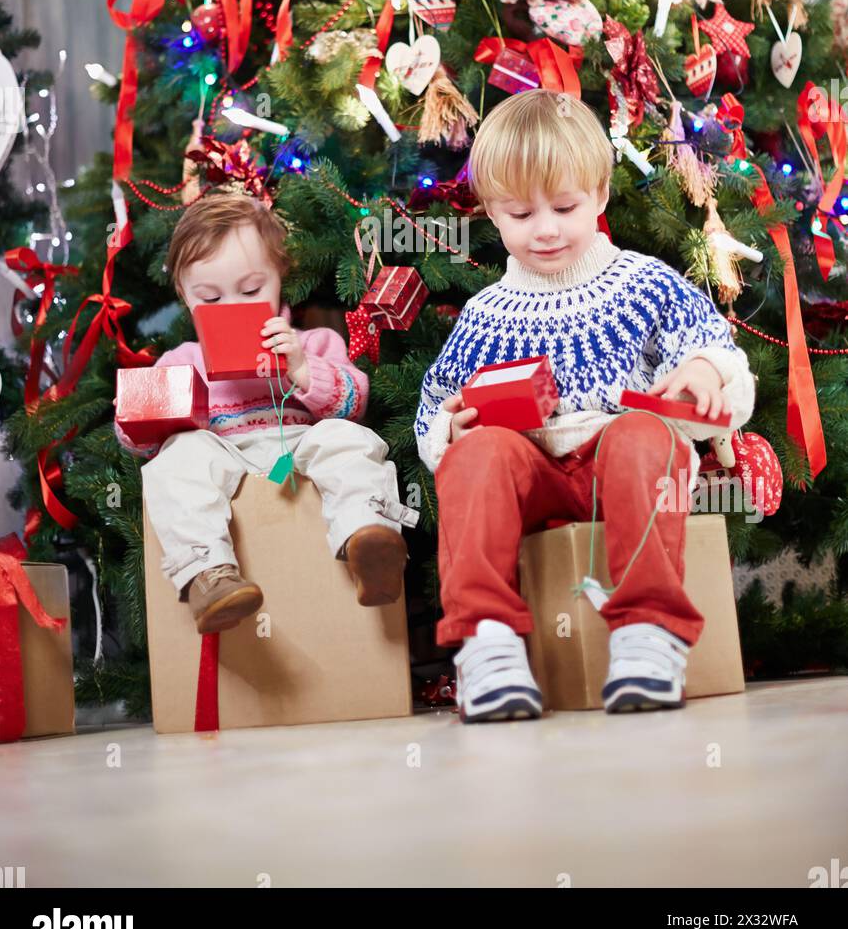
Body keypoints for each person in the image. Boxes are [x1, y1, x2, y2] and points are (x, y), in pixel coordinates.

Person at [414, 90, 756, 722]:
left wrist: (706, 371)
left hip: (621, 460)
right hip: (535, 477)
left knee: (643, 435)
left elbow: (717, 349)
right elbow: (434, 406)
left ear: (598, 197)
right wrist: (449, 427)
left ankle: (648, 633)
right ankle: (489, 643)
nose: (545, 228)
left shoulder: (644, 282)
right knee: (476, 452)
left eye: (565, 207)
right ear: (491, 213)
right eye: (520, 213)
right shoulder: (485, 316)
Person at [115, 188, 415, 634]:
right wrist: (140, 413)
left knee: (347, 440)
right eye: (210, 299)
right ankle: (207, 575)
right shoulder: (182, 359)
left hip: (296, 449)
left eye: (252, 289)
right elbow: (138, 444)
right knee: (176, 457)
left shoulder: (311, 343)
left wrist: (301, 368)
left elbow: (354, 403)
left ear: (280, 276)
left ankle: (368, 538)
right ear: (184, 294)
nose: (233, 306)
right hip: (221, 455)